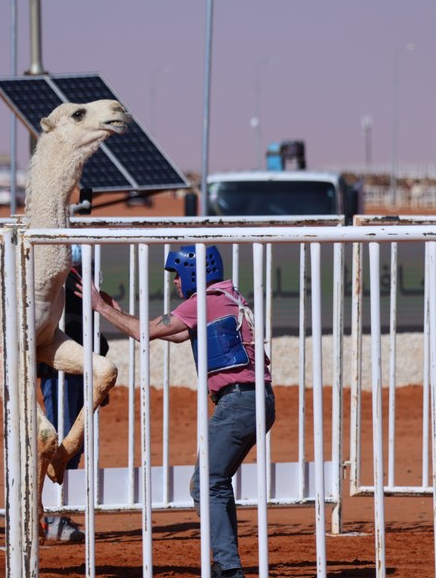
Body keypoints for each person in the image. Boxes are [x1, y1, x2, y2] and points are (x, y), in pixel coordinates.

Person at [80, 244, 275, 578]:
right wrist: (114, 312)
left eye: (176, 275)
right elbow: (176, 334)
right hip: (254, 400)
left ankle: (228, 568)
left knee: (207, 484)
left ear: (195, 272)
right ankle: (226, 563)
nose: (173, 282)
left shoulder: (205, 301)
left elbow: (144, 332)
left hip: (239, 402)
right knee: (214, 482)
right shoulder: (224, 297)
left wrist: (99, 307)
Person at [37, 244, 112, 543]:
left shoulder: (85, 271)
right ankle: (48, 517)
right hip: (58, 369)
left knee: (75, 446)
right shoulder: (53, 270)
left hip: (84, 365)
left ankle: (58, 512)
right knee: (58, 440)